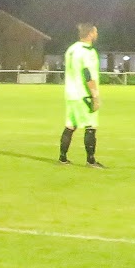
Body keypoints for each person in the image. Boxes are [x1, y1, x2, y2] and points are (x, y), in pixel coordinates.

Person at [59, 23, 104, 168]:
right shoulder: (88, 51)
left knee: (70, 125)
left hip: (71, 94)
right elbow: (87, 74)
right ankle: (91, 161)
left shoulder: (71, 49)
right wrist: (95, 96)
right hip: (84, 95)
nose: (96, 34)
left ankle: (62, 158)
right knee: (91, 126)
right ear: (90, 34)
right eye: (95, 32)